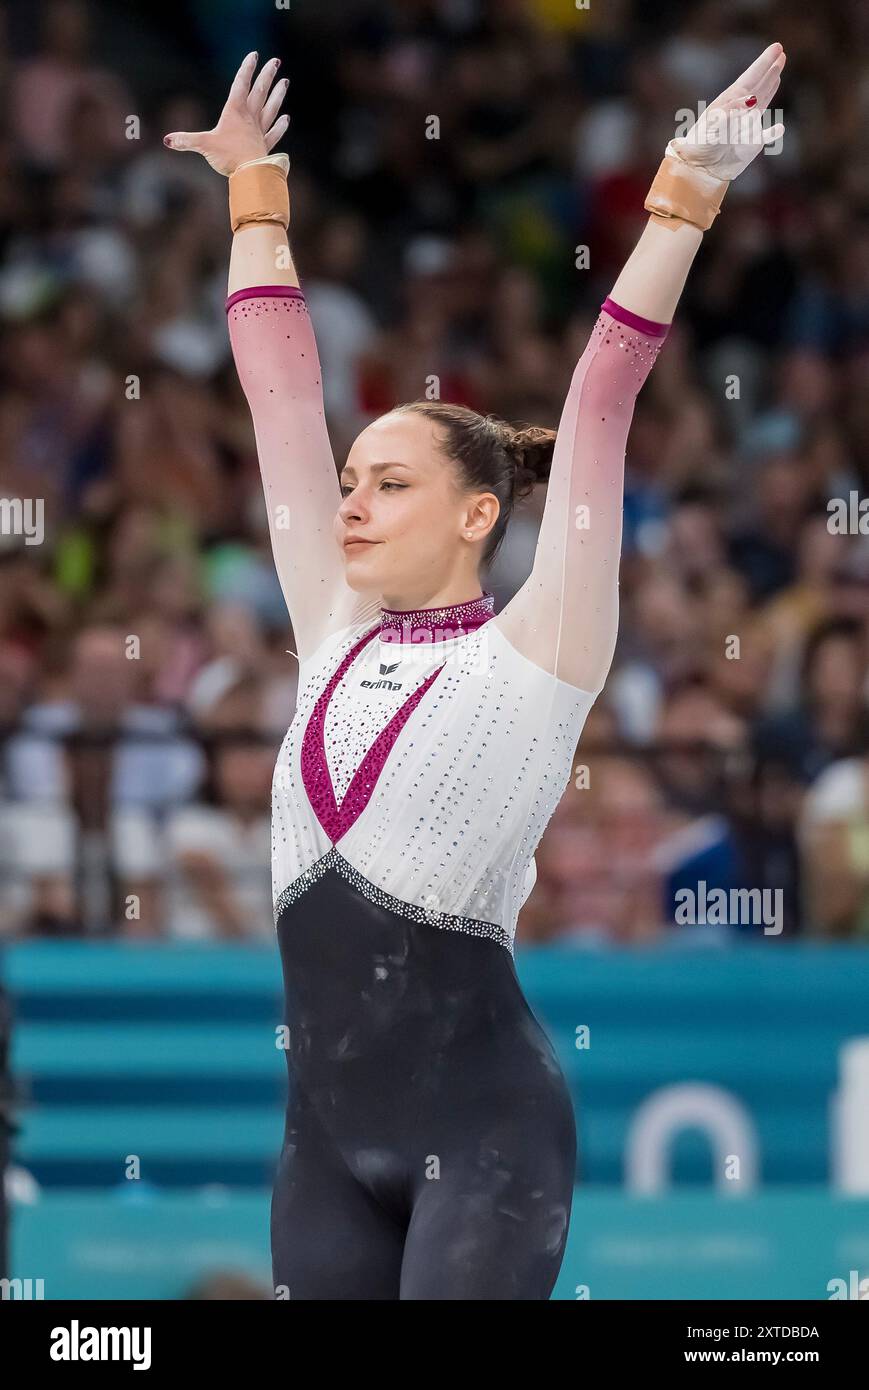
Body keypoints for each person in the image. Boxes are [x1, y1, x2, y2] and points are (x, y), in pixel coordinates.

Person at [165, 43, 786, 1300]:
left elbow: (601, 397)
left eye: (389, 483)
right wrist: (251, 194)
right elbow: (278, 398)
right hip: (319, 1147)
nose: (348, 501)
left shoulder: (541, 649)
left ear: (476, 515)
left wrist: (684, 192)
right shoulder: (331, 627)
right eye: (350, 481)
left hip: (487, 1134)